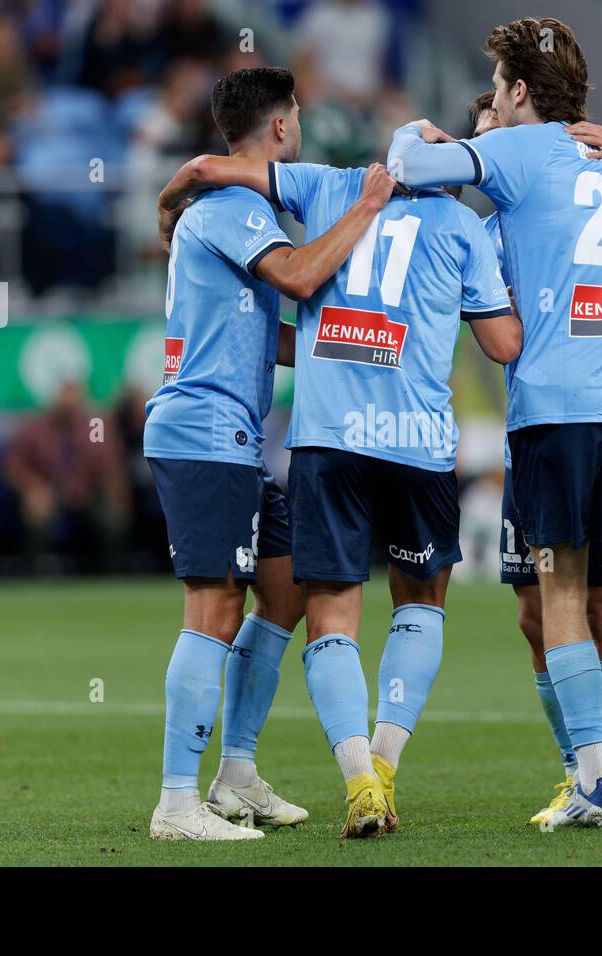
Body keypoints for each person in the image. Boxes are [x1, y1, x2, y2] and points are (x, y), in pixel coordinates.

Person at [158, 128, 521, 839]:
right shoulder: (461, 225)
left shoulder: (328, 184)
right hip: (417, 446)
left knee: (322, 611)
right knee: (420, 605)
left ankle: (343, 779)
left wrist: (169, 211)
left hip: (326, 442)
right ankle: (378, 768)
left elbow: (205, 167)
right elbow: (503, 344)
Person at [386, 16, 602, 830]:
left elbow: (412, 165)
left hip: (559, 409)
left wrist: (416, 131)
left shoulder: (522, 150)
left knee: (558, 588)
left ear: (518, 93)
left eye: (493, 89)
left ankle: (592, 778)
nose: (487, 101)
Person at [147, 67, 396, 842]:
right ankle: (176, 803)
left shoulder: (219, 206)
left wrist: (365, 348)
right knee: (216, 607)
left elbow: (276, 333)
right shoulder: (230, 207)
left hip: (234, 438)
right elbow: (297, 274)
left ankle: (235, 773)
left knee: (283, 591)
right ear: (283, 130)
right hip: (203, 430)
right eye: (299, 119)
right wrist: (365, 208)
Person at [2, 379, 130, 574]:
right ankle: (36, 574)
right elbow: (12, 464)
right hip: (50, 493)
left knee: (110, 519)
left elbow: (112, 467)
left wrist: (117, 498)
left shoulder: (97, 426)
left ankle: (106, 576)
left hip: (88, 495)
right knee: (36, 515)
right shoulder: (36, 428)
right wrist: (33, 487)